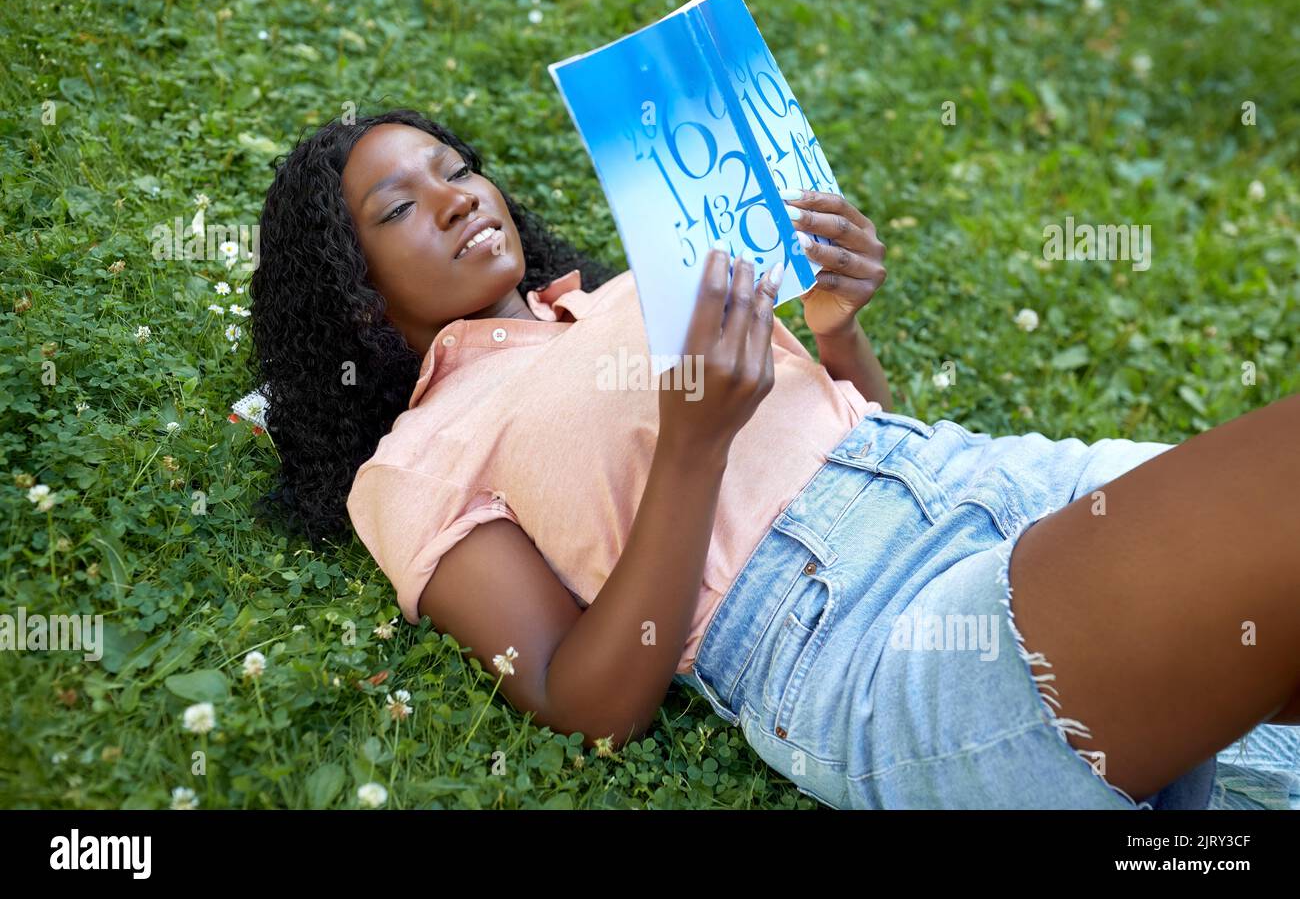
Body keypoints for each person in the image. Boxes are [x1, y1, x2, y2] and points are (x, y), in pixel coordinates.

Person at [250, 108, 1300, 809]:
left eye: (457, 169)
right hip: (861, 636)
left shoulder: (633, 291)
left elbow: (849, 433)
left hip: (984, 482)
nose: (458, 197)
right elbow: (585, 699)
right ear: (356, 294)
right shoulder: (414, 457)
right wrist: (689, 448)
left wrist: (836, 330)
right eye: (400, 207)